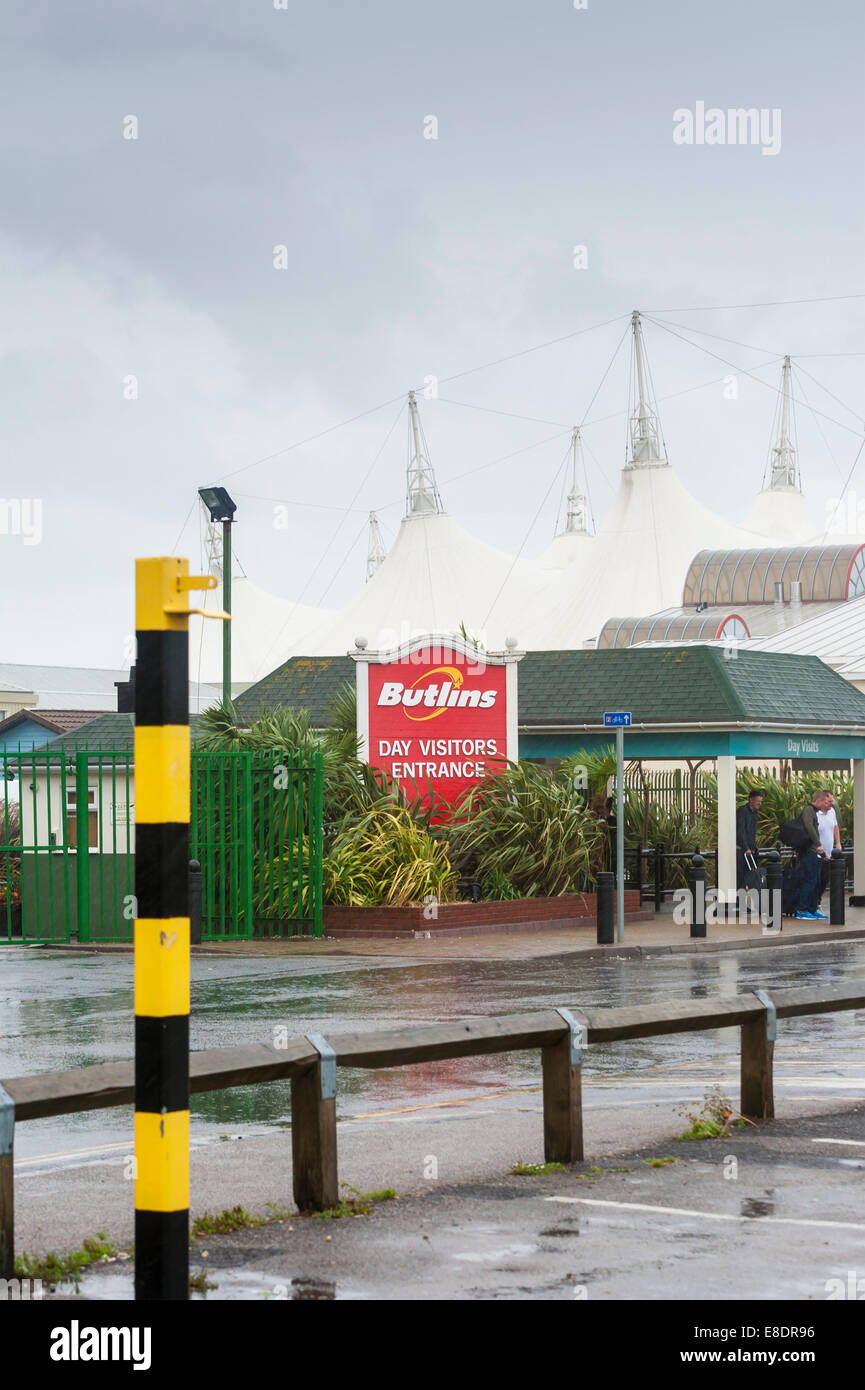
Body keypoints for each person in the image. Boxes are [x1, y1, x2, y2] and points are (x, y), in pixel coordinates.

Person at [796, 790, 833, 920]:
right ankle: (802, 910)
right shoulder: (808, 810)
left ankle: (812, 909)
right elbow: (809, 827)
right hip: (809, 851)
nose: (826, 805)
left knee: (816, 881)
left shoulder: (814, 812)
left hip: (814, 852)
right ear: (818, 801)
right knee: (810, 880)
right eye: (824, 802)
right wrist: (818, 844)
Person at [736, 789, 764, 891]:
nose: (760, 803)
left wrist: (752, 848)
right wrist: (746, 847)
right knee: (741, 876)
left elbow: (752, 832)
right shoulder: (743, 811)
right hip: (741, 850)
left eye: (760, 801)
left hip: (749, 849)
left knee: (749, 875)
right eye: (758, 801)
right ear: (751, 800)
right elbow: (740, 831)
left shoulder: (755, 813)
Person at [817, 791, 841, 898]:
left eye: (832, 801)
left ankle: (817, 901)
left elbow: (835, 827)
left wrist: (838, 843)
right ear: (823, 801)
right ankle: (813, 902)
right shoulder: (815, 814)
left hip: (829, 854)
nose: (832, 803)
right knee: (815, 880)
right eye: (830, 801)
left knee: (825, 880)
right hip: (817, 854)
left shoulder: (832, 812)